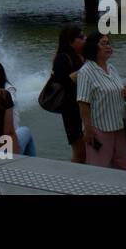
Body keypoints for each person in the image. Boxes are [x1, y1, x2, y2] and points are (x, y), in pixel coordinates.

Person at [77, 31, 126, 170]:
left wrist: (125, 92)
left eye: (109, 43)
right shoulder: (86, 72)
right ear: (93, 47)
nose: (108, 47)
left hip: (119, 127)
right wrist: (88, 130)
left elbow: (116, 90)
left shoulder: (111, 68)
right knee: (99, 170)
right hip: (100, 129)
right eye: (104, 43)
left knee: (123, 168)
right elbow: (83, 103)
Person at [51, 24, 87, 162]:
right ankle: (75, 177)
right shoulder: (62, 58)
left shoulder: (83, 56)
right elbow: (62, 82)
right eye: (81, 37)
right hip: (71, 109)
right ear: (70, 41)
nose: (85, 39)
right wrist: (84, 70)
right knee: (80, 151)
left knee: (88, 149)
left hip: (85, 106)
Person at [0, 61, 36, 156]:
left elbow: (11, 100)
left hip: (8, 134)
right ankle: (31, 164)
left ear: (1, 76)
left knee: (23, 131)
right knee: (26, 130)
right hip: (3, 144)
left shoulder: (9, 90)